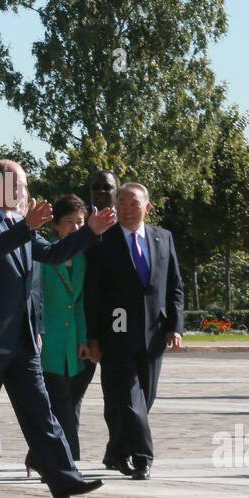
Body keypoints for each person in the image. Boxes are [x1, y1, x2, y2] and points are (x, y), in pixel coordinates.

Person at [0, 160, 116, 498]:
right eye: (21, 186)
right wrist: (26, 226)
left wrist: (89, 232)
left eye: (24, 187)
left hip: (22, 341)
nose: (25, 193)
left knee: (41, 412)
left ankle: (63, 477)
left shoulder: (19, 225)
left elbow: (55, 254)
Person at [84, 183, 185, 481]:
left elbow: (174, 286)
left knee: (145, 399)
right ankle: (143, 457)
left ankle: (115, 450)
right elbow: (94, 292)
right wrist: (92, 337)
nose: (128, 208)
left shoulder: (163, 238)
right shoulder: (103, 240)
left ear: (147, 207)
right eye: (122, 202)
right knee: (129, 399)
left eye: (134, 203)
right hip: (116, 333)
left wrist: (175, 326)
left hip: (153, 335)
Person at [38, 194, 97, 465]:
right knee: (60, 399)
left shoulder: (87, 259)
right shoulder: (44, 254)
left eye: (81, 223)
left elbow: (85, 303)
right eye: (69, 222)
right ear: (56, 226)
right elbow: (36, 298)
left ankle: (39, 456)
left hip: (76, 342)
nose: (75, 229)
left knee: (70, 400)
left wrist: (85, 339)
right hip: (49, 340)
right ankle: (68, 460)